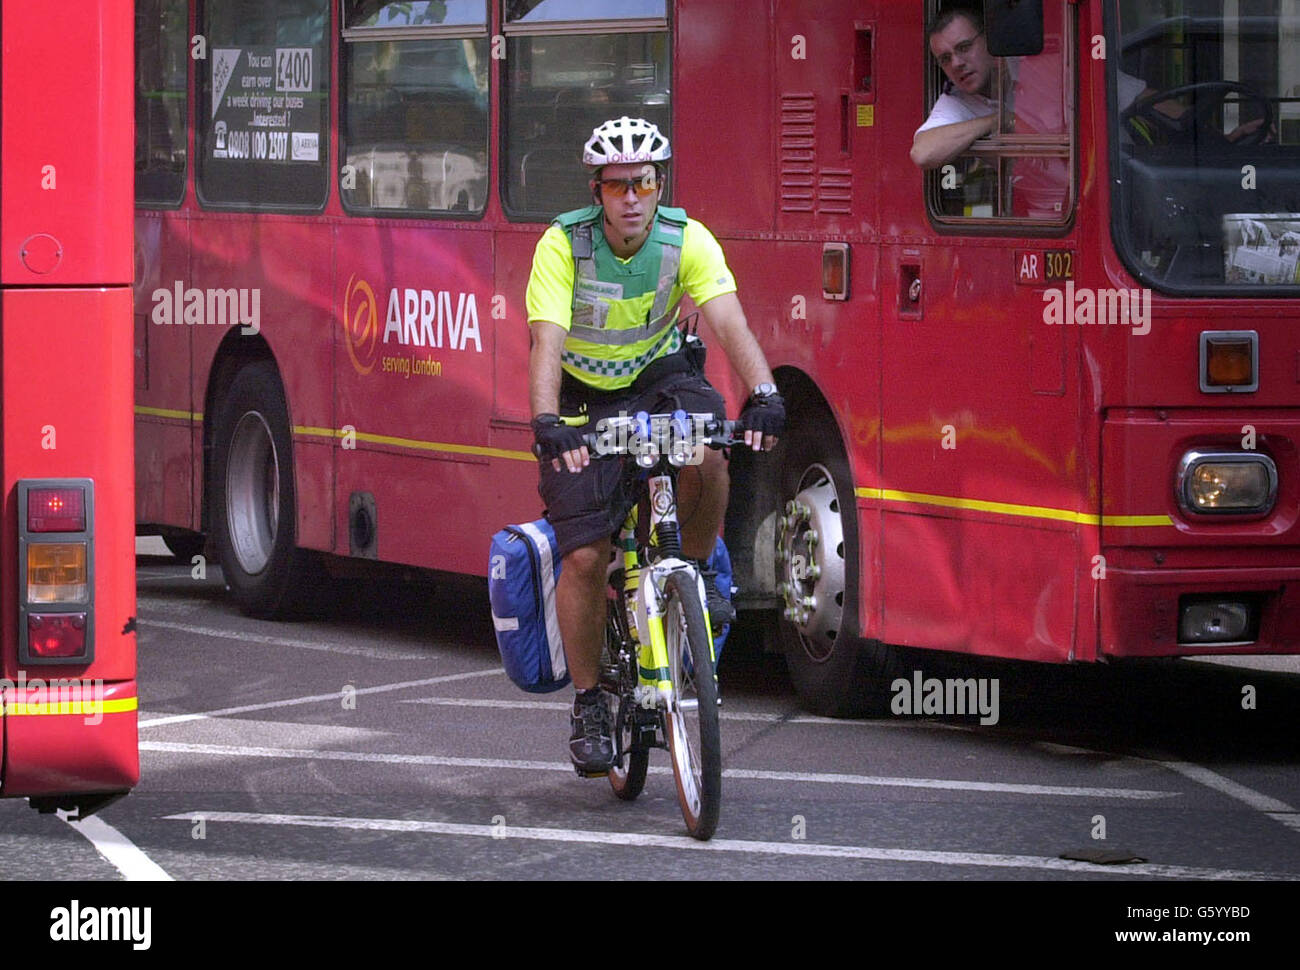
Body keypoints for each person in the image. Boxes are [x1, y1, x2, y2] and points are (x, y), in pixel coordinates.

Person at [525, 116, 785, 775]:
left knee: (710, 445)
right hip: (582, 398)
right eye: (618, 187)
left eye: (643, 183)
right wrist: (548, 419)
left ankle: (690, 574)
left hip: (658, 380)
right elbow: (547, 340)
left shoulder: (686, 239)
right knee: (585, 556)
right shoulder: (563, 246)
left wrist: (765, 391)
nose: (632, 198)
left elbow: (728, 319)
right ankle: (588, 702)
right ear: (598, 191)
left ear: (659, 184)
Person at [911, 7, 1271, 172]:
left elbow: (1150, 104)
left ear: (991, 41)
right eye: (944, 59)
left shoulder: (1052, 68)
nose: (956, 64)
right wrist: (995, 120)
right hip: (1051, 221)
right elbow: (923, 153)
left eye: (963, 48)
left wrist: (1220, 139)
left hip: (1122, 187)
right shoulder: (957, 104)